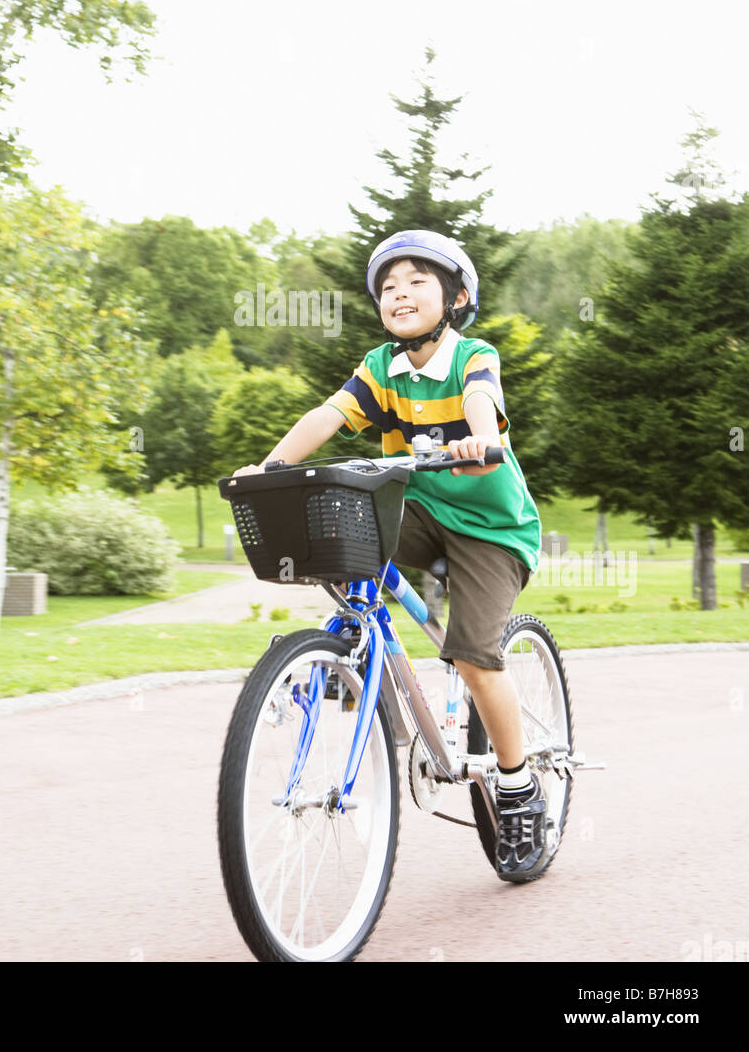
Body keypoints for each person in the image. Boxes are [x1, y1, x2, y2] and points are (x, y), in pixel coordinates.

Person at [231, 229, 545, 880]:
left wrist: (479, 440)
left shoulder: (471, 356)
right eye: (387, 286)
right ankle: (348, 657)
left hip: (491, 525)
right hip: (422, 512)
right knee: (342, 539)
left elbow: (482, 401)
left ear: (456, 297)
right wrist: (271, 466)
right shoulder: (381, 368)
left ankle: (518, 788)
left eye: (416, 281)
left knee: (473, 654)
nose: (398, 293)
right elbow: (328, 415)